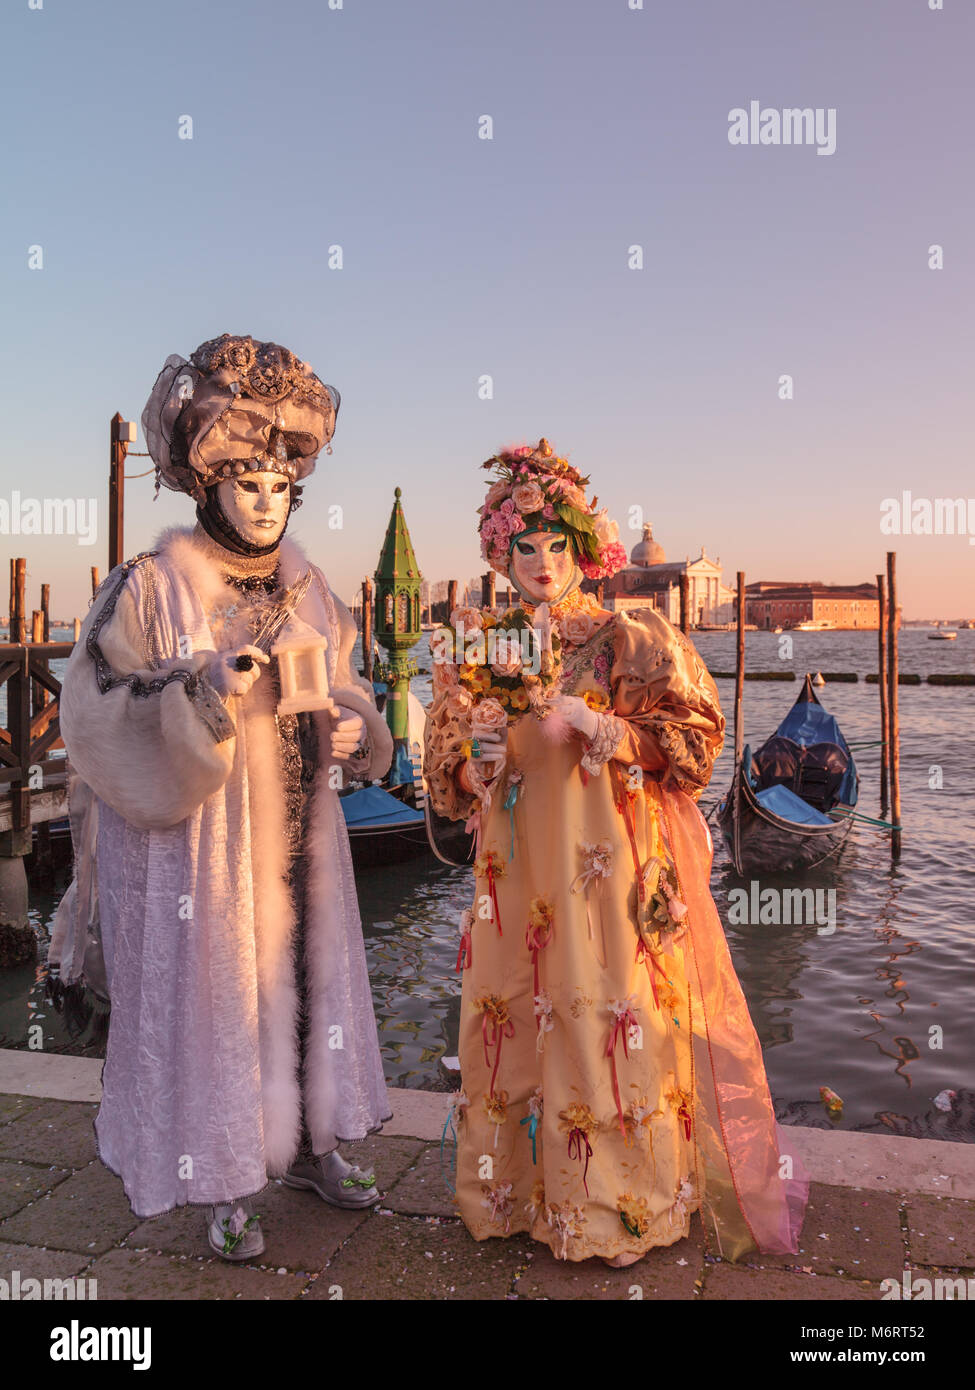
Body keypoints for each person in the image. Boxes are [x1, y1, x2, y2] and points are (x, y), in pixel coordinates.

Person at [51, 333, 393, 1260]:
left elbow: (347, 690)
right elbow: (92, 709)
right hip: (204, 848)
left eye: (282, 487)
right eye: (249, 484)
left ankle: (316, 1142)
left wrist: (355, 729)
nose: (267, 502)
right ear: (208, 488)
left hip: (300, 831)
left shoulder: (310, 588)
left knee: (306, 988)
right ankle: (225, 1175)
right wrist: (199, 694)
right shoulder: (151, 589)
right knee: (219, 1000)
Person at [424, 439, 807, 1266]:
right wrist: (470, 761)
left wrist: (611, 730)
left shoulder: (628, 635)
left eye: (554, 545)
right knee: (517, 1003)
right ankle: (520, 1197)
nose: (538, 562)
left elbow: (697, 739)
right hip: (514, 860)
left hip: (605, 858)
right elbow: (442, 760)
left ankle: (615, 1205)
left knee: (607, 1001)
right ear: (500, 551)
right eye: (522, 546)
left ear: (582, 551)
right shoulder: (475, 642)